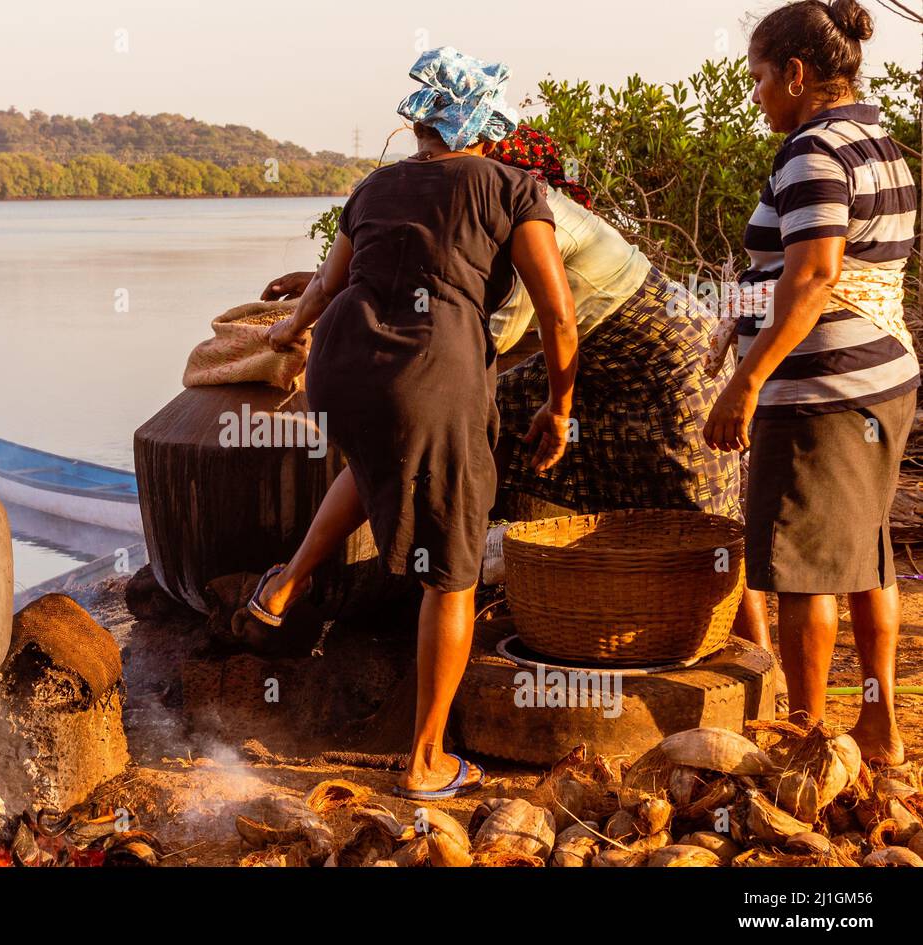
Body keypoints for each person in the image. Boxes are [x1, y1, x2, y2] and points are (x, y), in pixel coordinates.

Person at [264, 124, 774, 649]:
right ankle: (461, 562)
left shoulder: (528, 217)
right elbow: (419, 264)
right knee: (457, 422)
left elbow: (494, 333)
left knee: (706, 519)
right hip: (596, 357)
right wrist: (332, 282)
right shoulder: (499, 201)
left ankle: (761, 668)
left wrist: (554, 407)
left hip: (662, 361)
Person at [250, 47, 580, 800]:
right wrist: (560, 407)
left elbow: (327, 287)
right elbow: (560, 316)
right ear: (486, 124)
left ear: (422, 125)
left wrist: (285, 336)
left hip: (340, 366)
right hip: (431, 377)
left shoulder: (374, 186)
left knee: (376, 469)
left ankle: (284, 584)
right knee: (453, 571)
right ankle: (428, 760)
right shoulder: (512, 188)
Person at [705, 0, 917, 766]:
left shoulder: (812, 151)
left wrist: (747, 381)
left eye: (761, 78)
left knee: (800, 572)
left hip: (822, 391)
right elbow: (840, 267)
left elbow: (819, 274)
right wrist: (736, 317)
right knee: (866, 559)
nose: (756, 94)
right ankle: (878, 726)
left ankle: (808, 737)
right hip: (883, 377)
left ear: (796, 74)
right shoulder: (878, 139)